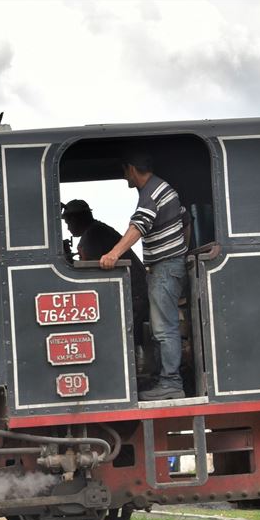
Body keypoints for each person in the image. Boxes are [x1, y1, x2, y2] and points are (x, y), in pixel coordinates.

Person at [97, 151, 188, 401]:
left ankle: (171, 383)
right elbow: (186, 220)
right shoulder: (161, 189)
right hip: (167, 265)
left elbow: (139, 226)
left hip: (165, 267)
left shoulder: (152, 192)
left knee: (163, 329)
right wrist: (181, 250)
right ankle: (165, 381)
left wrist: (114, 254)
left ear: (132, 169)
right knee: (160, 327)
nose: (125, 176)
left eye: (124, 171)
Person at [60, 199, 149, 338]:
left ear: (76, 219)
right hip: (137, 290)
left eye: (68, 222)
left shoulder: (92, 235)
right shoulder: (99, 228)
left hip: (132, 294)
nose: (68, 228)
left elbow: (91, 276)